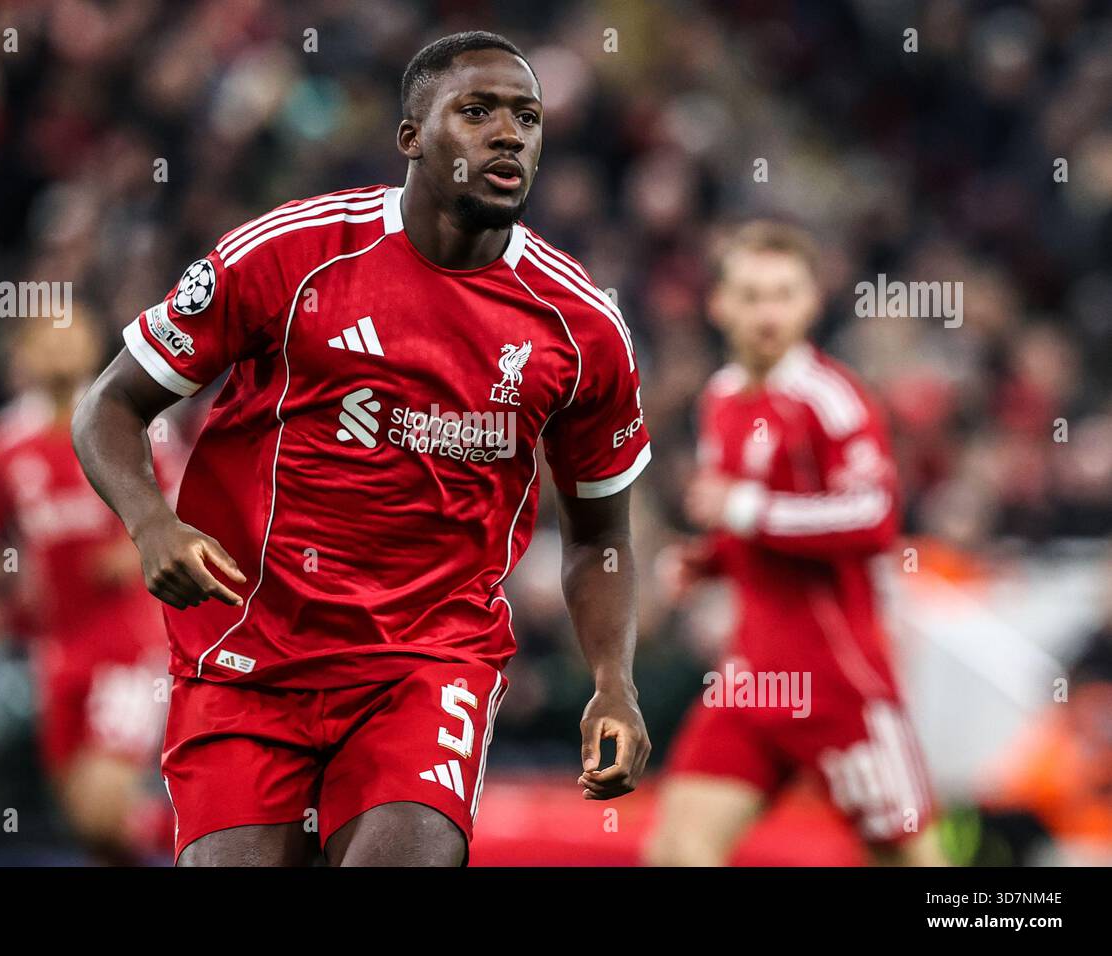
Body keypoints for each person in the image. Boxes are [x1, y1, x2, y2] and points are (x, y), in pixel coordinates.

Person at [71, 31, 652, 866]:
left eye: (527, 117)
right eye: (477, 111)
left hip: (429, 660)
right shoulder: (288, 255)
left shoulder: (582, 326)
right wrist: (150, 523)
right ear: (412, 137)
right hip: (248, 653)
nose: (509, 135)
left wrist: (613, 682)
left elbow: (601, 536)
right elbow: (110, 405)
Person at [644, 221, 944, 866]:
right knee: (675, 850)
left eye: (783, 294)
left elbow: (875, 516)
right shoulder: (720, 399)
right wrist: (708, 560)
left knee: (912, 862)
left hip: (837, 680)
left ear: (811, 302)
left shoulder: (832, 400)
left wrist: (748, 510)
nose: (767, 312)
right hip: (753, 679)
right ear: (718, 305)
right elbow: (746, 534)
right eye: (750, 296)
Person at [0, 308, 173, 863]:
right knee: (89, 827)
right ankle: (200, 835)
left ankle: (236, 841)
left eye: (68, 333)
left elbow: (175, 509)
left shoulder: (123, 425)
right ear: (21, 355)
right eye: (44, 338)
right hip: (56, 649)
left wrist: (138, 545)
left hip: (128, 644)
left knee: (104, 799)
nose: (57, 349)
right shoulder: (2, 446)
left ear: (90, 344)